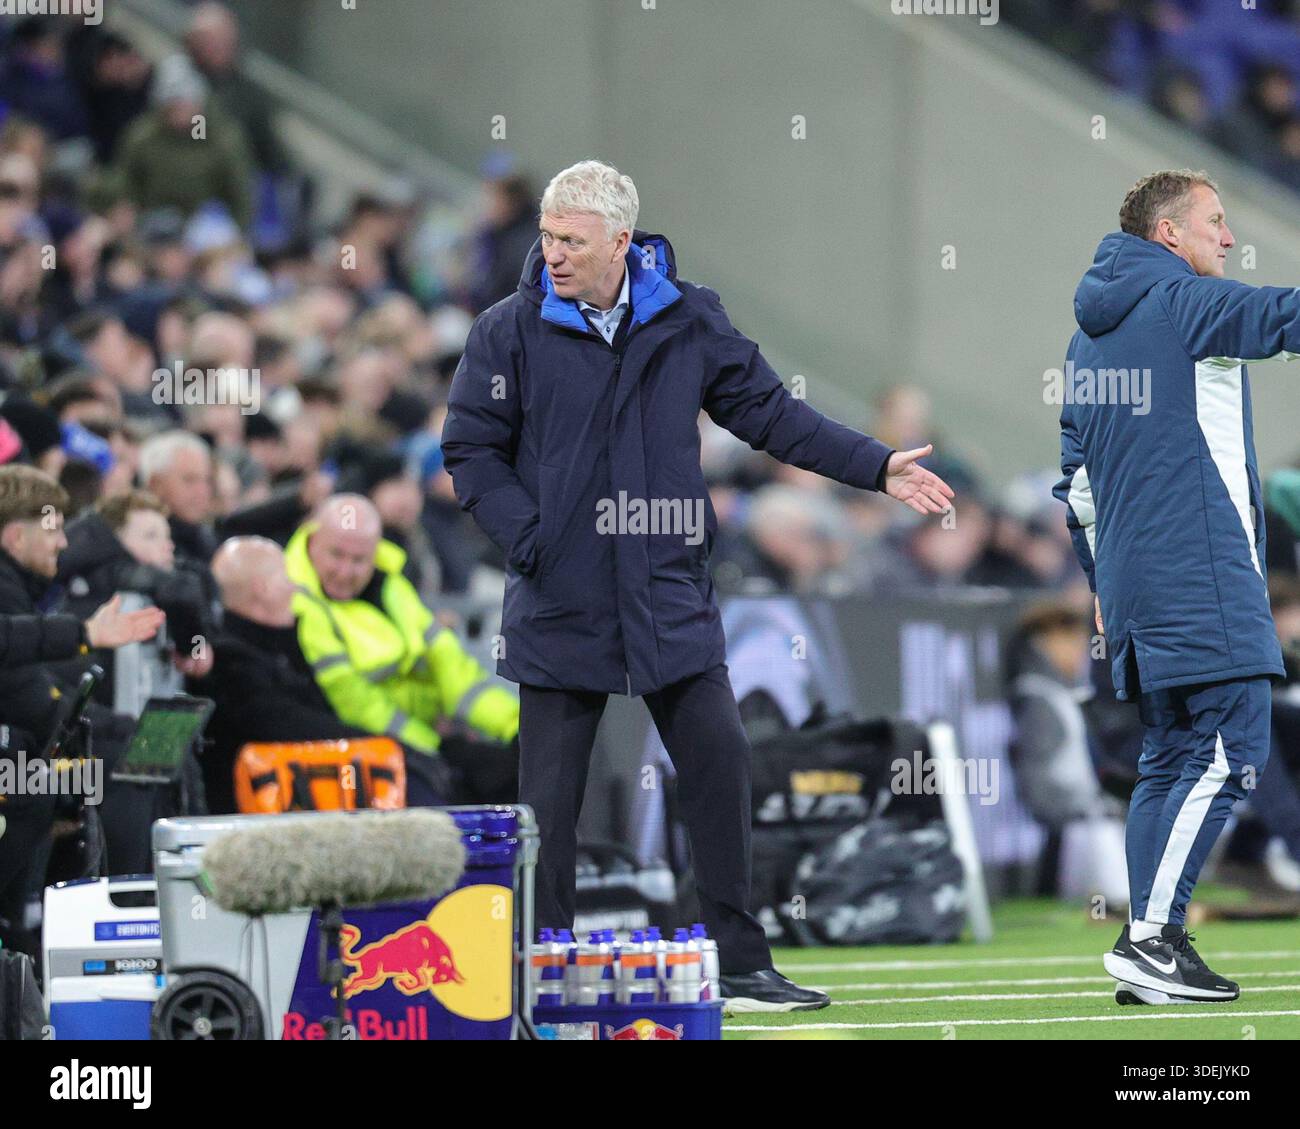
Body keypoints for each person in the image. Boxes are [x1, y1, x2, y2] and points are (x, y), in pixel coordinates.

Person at [441, 159, 953, 1012]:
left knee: (721, 764)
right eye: (547, 236)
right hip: (560, 596)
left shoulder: (688, 317)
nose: (554, 254)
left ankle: (739, 963)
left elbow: (771, 415)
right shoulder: (508, 329)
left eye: (571, 240)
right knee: (549, 805)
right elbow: (470, 449)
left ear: (620, 241)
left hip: (669, 589)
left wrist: (876, 465)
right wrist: (532, 539)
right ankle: (546, 969)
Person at [1056, 169, 1300, 1006]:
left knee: (1172, 758)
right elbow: (1281, 317)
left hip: (1133, 583)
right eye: (1216, 221)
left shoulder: (1086, 341)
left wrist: (1102, 581)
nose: (1228, 239)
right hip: (1202, 571)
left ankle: (1156, 943)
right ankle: (1152, 939)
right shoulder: (1183, 303)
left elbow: (1078, 487)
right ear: (1169, 233)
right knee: (1233, 749)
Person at [283, 494, 519, 763]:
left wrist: (516, 727)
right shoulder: (296, 600)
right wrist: (432, 750)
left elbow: (454, 670)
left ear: (375, 553)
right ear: (312, 540)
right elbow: (356, 703)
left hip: (422, 739)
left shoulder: (392, 586)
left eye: (359, 560)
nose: (345, 571)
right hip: (364, 754)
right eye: (336, 554)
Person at [201, 536, 374, 812]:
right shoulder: (229, 661)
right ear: (263, 588)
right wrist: (376, 742)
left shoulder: (282, 645)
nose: (294, 587)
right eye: (286, 576)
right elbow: (290, 722)